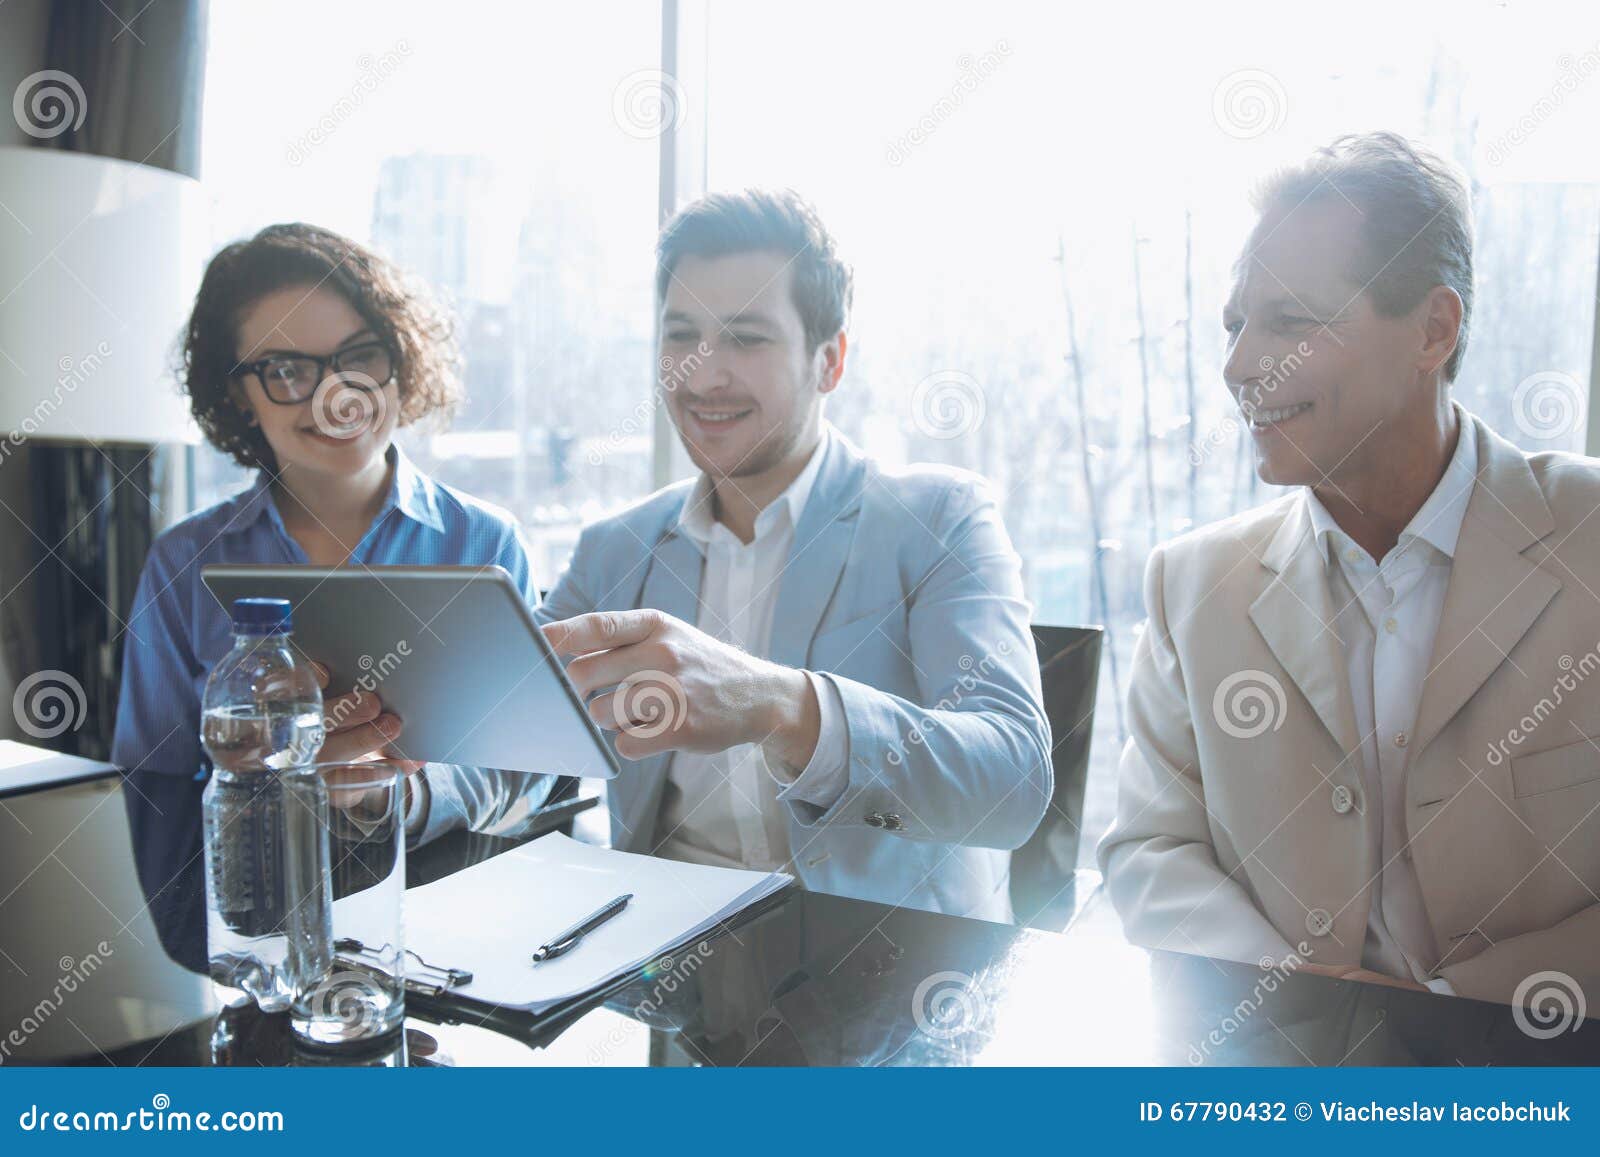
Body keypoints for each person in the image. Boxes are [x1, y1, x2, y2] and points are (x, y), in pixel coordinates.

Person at [1098, 132, 1600, 1005]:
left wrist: (1443, 1019)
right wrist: (1303, 1000)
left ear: (1433, 331)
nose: (1241, 365)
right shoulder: (1193, 585)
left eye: (1290, 321)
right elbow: (1148, 851)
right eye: (1234, 324)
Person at [538, 189, 1051, 922]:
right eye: (682, 336)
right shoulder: (614, 548)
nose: (704, 375)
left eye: (746, 338)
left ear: (830, 360)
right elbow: (511, 741)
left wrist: (784, 706)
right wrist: (388, 784)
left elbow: (1011, 779)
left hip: (886, 979)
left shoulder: (937, 518)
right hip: (663, 964)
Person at [113, 223, 552, 970]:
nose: (335, 394)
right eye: (287, 369)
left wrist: (397, 796)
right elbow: (151, 791)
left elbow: (523, 767)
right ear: (239, 396)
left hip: (451, 949)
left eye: (359, 357)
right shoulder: (183, 563)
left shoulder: (485, 543)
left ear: (398, 362)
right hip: (251, 952)